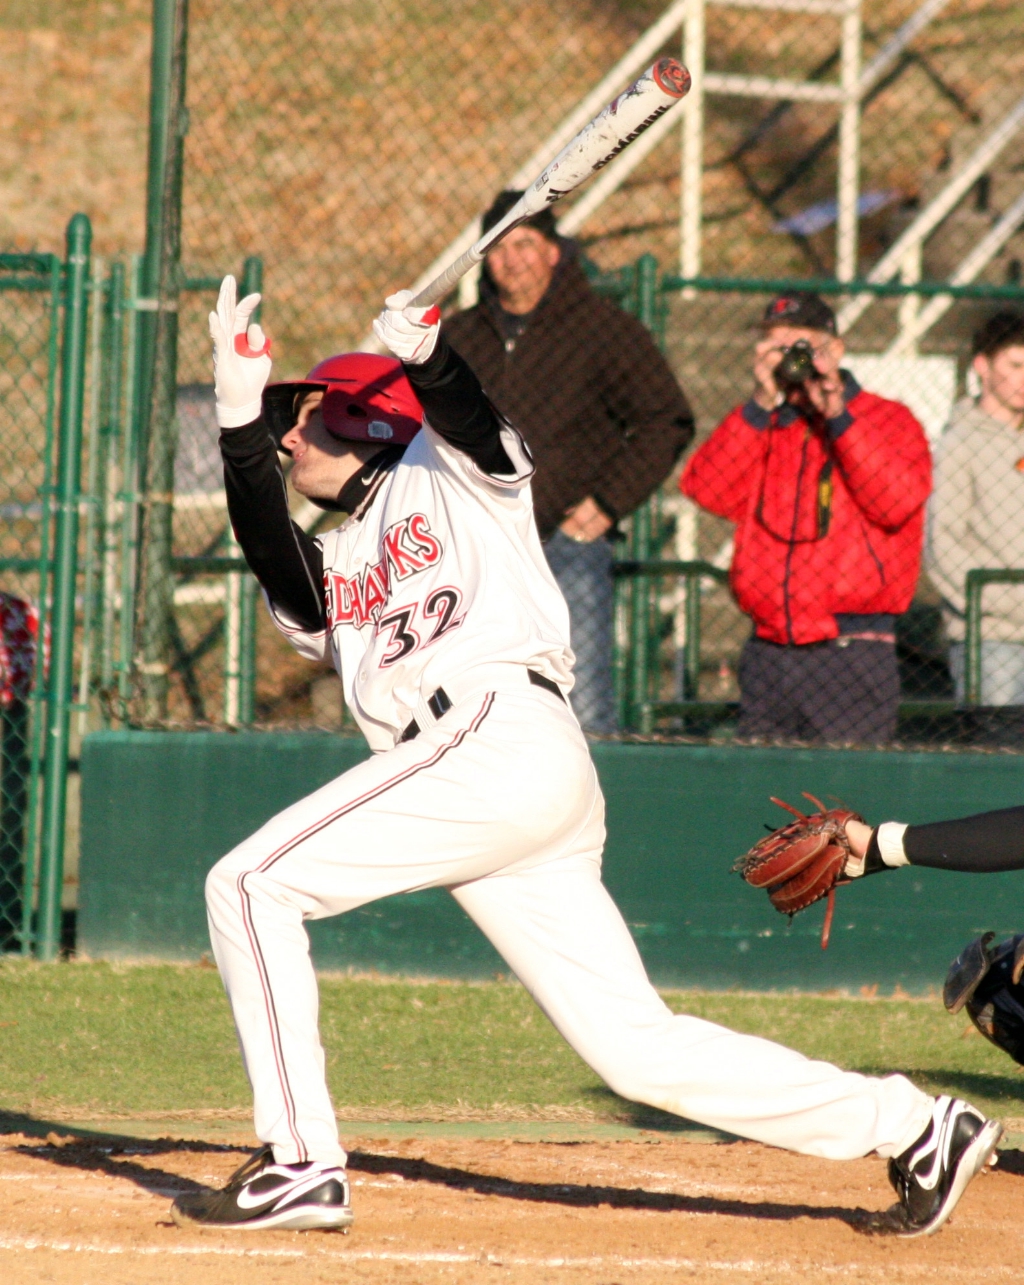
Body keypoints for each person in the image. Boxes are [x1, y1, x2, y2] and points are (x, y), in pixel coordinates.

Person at [170, 276, 1000, 1238]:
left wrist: (429, 353)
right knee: (634, 1048)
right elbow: (276, 555)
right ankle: (917, 1125)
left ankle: (301, 1161)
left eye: (303, 419)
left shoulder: (450, 470)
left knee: (249, 884)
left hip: (494, 736)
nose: (287, 439)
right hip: (494, 778)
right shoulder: (342, 559)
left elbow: (471, 419)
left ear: (369, 417)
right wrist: (236, 423)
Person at [444, 190, 694, 733]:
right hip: (468, 547)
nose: (512, 258)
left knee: (579, 703)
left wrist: (605, 504)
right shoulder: (458, 337)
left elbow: (664, 420)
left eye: (526, 243)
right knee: (465, 697)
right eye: (499, 246)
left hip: (563, 544)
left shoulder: (604, 329)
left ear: (555, 251)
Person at [680, 292, 931, 744]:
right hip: (769, 648)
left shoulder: (887, 418)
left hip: (852, 647)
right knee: (765, 800)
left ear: (834, 350)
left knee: (847, 800)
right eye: (775, 346)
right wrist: (759, 403)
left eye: (799, 345)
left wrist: (838, 416)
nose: (789, 357)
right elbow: (707, 489)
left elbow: (895, 501)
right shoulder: (765, 423)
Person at [927, 312, 1024, 710]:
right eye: (1015, 366)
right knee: (996, 755)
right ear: (982, 367)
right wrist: (1010, 602)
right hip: (991, 640)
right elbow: (941, 545)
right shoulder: (959, 444)